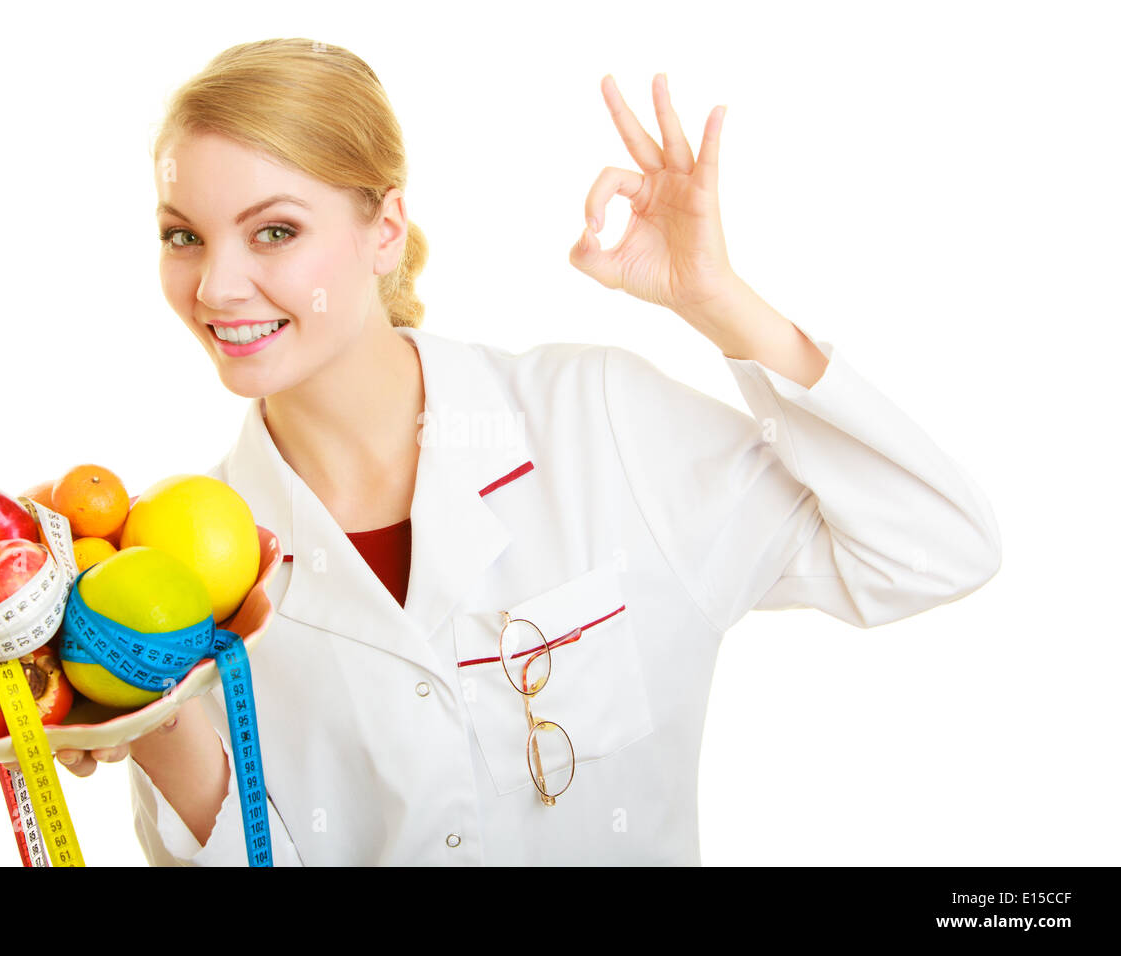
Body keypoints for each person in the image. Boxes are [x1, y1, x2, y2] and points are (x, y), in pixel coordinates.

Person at [53, 38, 1002, 865]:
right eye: (184, 237)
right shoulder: (177, 581)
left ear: (384, 230)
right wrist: (147, 718)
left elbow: (933, 548)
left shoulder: (597, 420)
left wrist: (716, 298)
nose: (216, 286)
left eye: (275, 231)